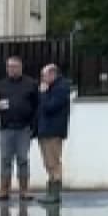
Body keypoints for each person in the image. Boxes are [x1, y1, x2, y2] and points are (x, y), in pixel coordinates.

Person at [0, 55, 38, 202]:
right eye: (9, 67)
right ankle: (4, 191)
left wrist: (33, 127)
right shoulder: (0, 85)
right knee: (5, 159)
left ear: (21, 67)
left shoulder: (31, 84)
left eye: (15, 66)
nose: (12, 69)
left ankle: (24, 191)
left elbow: (37, 106)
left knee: (22, 159)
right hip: (6, 129)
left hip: (24, 129)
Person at [34, 62, 74, 205]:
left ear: (52, 74)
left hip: (53, 131)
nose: (42, 79)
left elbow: (50, 107)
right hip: (44, 131)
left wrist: (44, 94)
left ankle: (55, 194)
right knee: (48, 163)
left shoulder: (61, 88)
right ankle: (51, 192)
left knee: (54, 162)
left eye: (43, 75)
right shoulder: (51, 87)